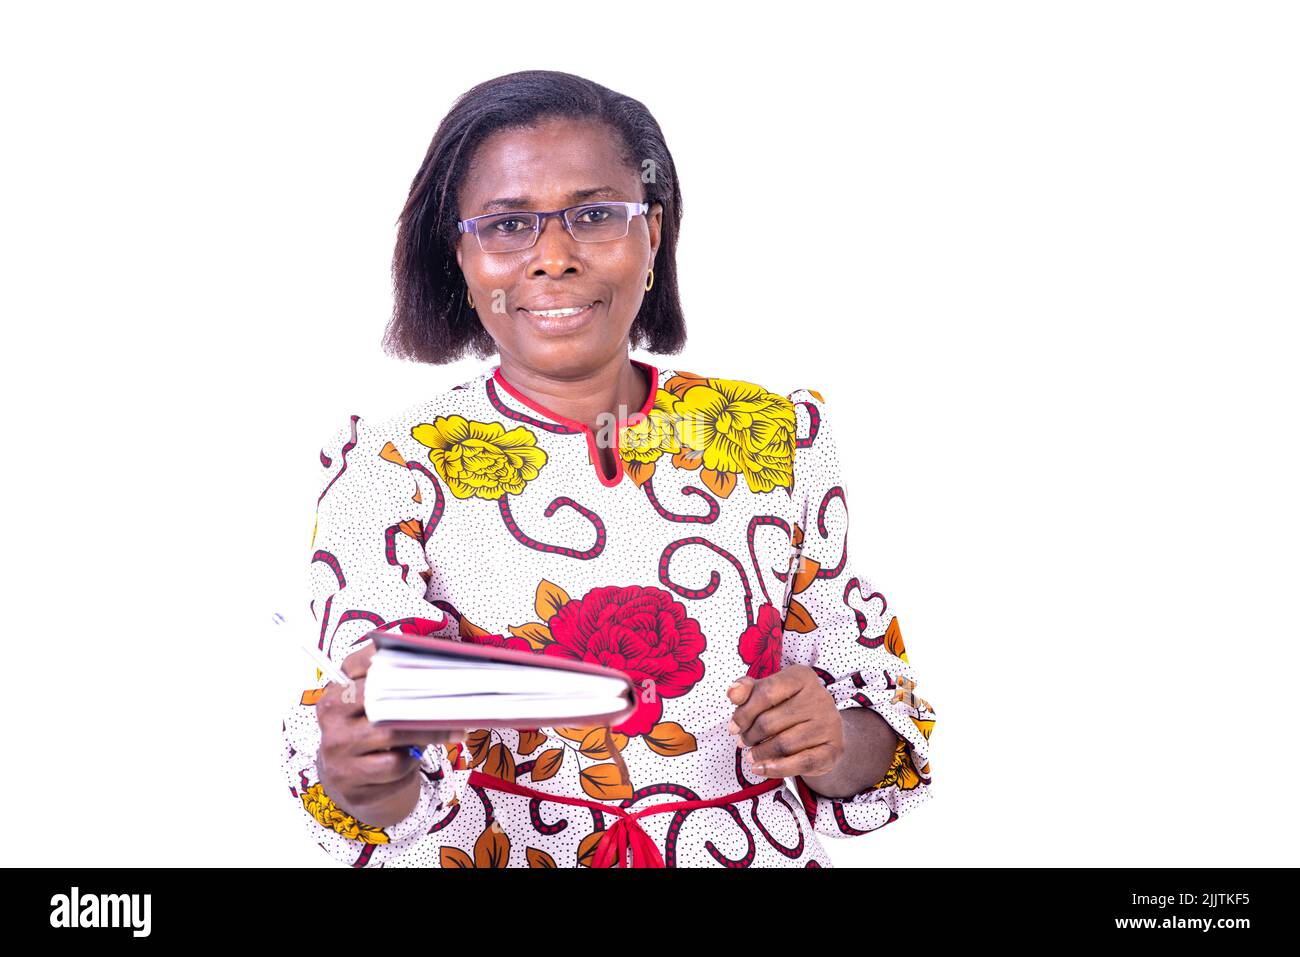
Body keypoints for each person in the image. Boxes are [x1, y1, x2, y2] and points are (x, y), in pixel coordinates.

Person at [280, 70, 937, 868]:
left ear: (652, 235)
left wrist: (830, 740)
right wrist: (366, 774)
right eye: (508, 224)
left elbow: (870, 726)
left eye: (595, 215)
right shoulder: (391, 465)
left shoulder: (774, 436)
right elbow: (387, 766)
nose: (553, 257)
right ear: (460, 253)